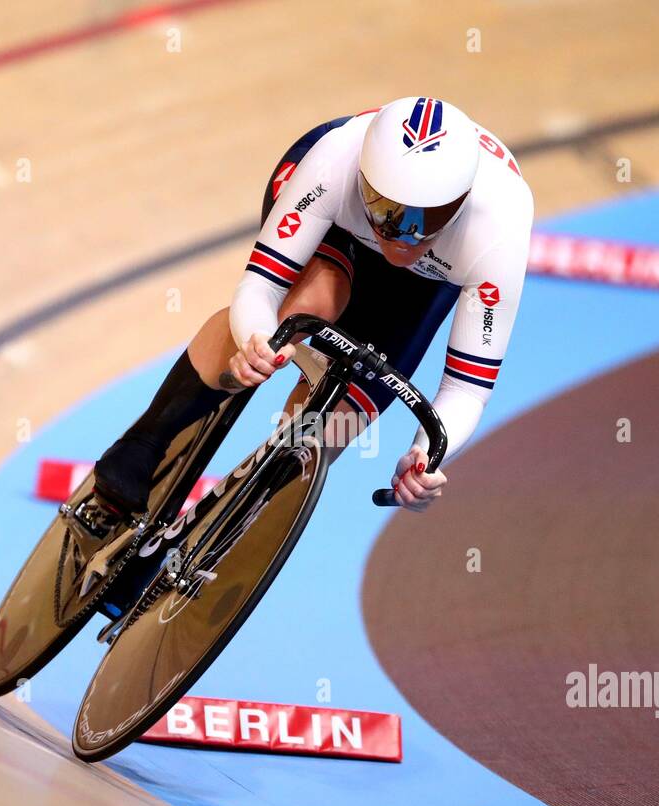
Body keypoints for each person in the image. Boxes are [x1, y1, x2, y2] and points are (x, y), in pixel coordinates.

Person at [93, 96, 533, 517]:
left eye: (424, 221)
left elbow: (466, 390)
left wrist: (425, 455)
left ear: (459, 206)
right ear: (364, 175)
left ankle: (229, 523)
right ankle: (146, 439)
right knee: (316, 302)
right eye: (387, 211)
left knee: (324, 434)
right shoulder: (336, 160)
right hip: (336, 221)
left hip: (427, 276)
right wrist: (255, 341)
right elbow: (260, 288)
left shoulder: (499, 233)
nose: (400, 235)